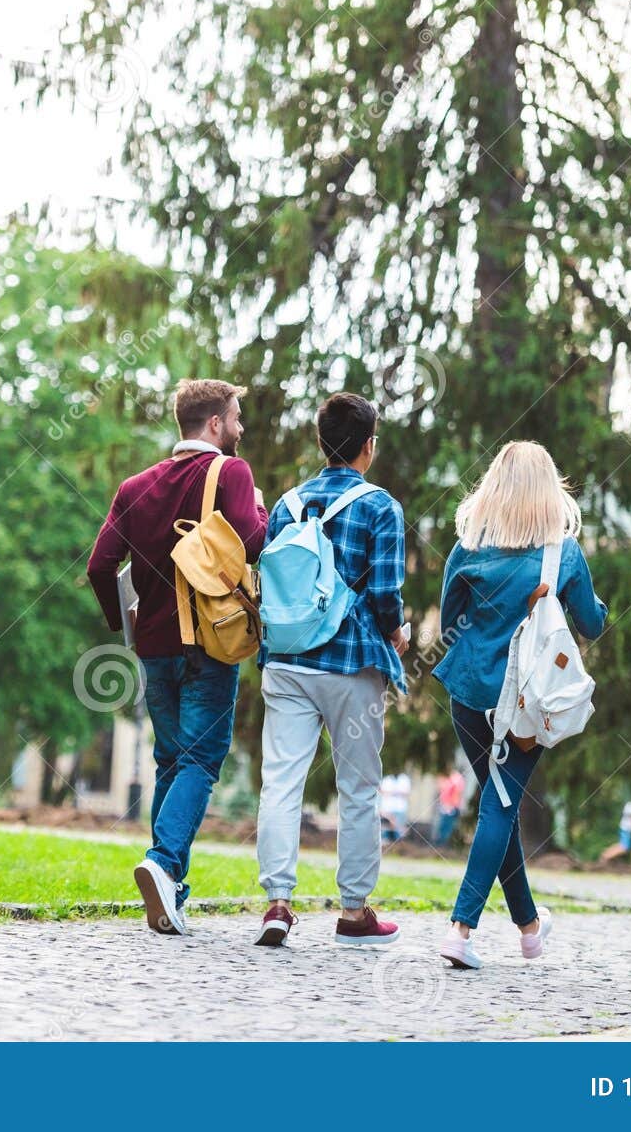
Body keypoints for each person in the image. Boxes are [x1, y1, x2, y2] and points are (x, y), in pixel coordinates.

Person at [87, 378, 269, 936]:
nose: (240, 428)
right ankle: (163, 864)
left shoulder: (134, 486)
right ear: (214, 423)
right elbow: (252, 544)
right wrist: (260, 512)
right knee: (200, 761)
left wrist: (126, 629)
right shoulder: (231, 473)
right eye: (235, 417)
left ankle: (171, 893)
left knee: (171, 760)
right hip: (210, 644)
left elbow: (99, 567)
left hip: (154, 648)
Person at [431, 441, 607, 970]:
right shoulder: (563, 553)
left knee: (496, 804)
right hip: (526, 705)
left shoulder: (468, 547)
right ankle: (460, 932)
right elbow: (593, 624)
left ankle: (530, 929)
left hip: (467, 694)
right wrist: (588, 602)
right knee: (499, 806)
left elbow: (448, 624)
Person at [253, 393, 409, 948]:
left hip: (288, 660)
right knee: (360, 789)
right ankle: (353, 911)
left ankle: (276, 902)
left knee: (282, 782)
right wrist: (396, 632)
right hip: (351, 662)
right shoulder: (380, 507)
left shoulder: (285, 504)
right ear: (368, 446)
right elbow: (387, 594)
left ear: (321, 442)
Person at [599, 799, 631, 866]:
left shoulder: (630, 804)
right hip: (627, 829)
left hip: (625, 828)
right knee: (624, 847)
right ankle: (605, 856)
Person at [433, 768, 466, 847]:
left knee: (446, 827)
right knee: (444, 826)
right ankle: (440, 844)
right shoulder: (453, 778)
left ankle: (442, 845)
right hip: (447, 806)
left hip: (450, 807)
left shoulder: (455, 778)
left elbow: (456, 793)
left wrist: (451, 805)